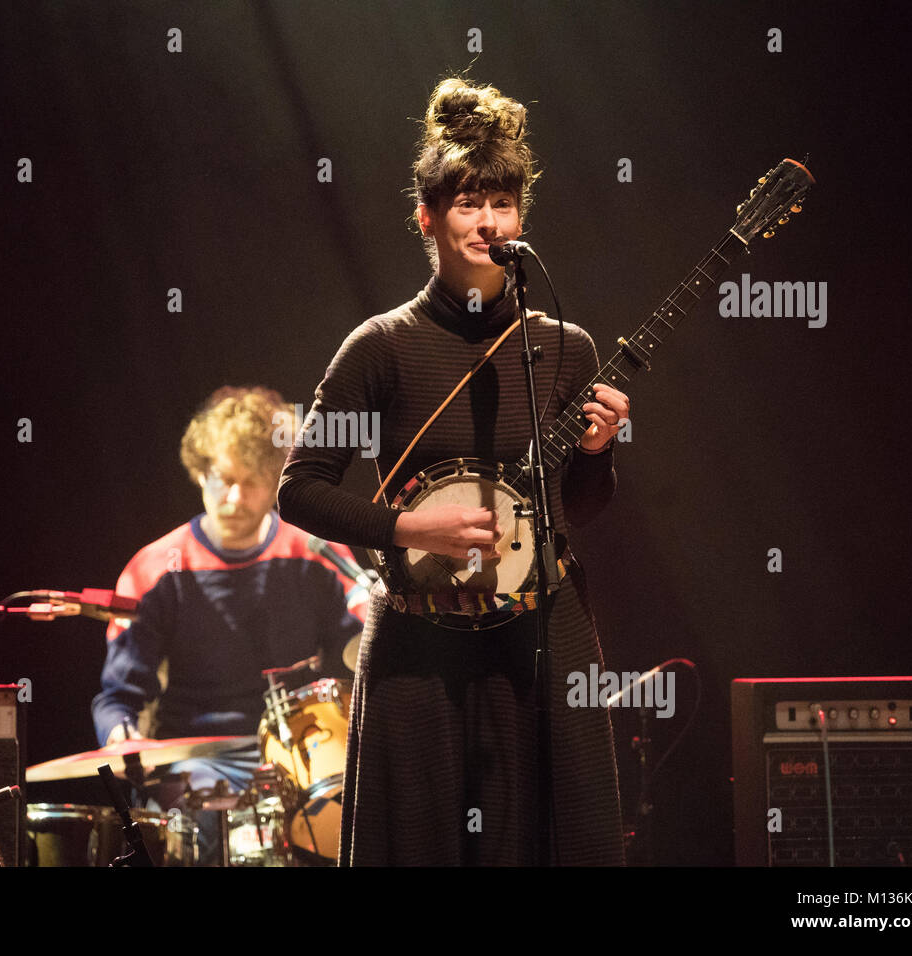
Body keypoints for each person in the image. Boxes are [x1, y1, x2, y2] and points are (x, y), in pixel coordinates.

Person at [278, 78, 630, 865]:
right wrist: (411, 526)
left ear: (521, 218)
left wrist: (601, 450)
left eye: (501, 203)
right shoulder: (381, 347)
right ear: (426, 216)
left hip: (546, 623)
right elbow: (298, 488)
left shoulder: (565, 347)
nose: (487, 221)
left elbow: (579, 507)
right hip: (419, 638)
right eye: (467, 202)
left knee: (562, 833)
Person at [92, 385, 366, 863]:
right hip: (194, 764)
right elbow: (118, 697)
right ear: (200, 474)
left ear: (280, 479)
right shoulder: (156, 569)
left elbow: (362, 654)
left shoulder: (316, 552)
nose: (235, 497)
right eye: (223, 479)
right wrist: (120, 736)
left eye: (253, 481)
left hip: (303, 756)